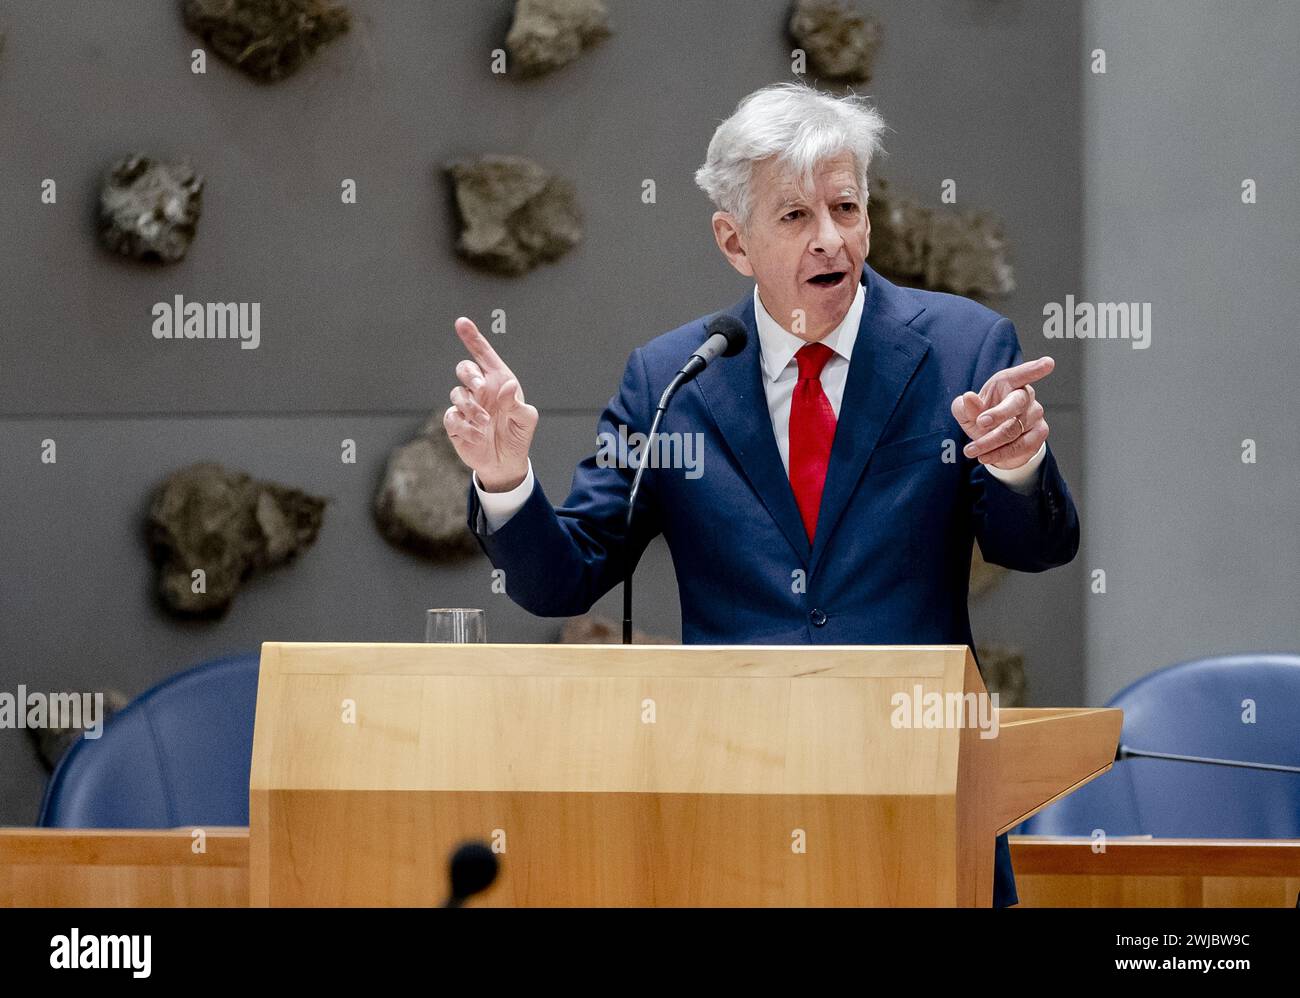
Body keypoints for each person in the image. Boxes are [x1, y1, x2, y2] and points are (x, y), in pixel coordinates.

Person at [443, 81, 1079, 907]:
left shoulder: (963, 348)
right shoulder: (673, 378)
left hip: (919, 788)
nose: (831, 240)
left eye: (845, 209)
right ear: (734, 241)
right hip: (728, 797)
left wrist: (1018, 462)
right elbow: (563, 578)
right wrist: (504, 477)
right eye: (794, 218)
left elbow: (1036, 549)